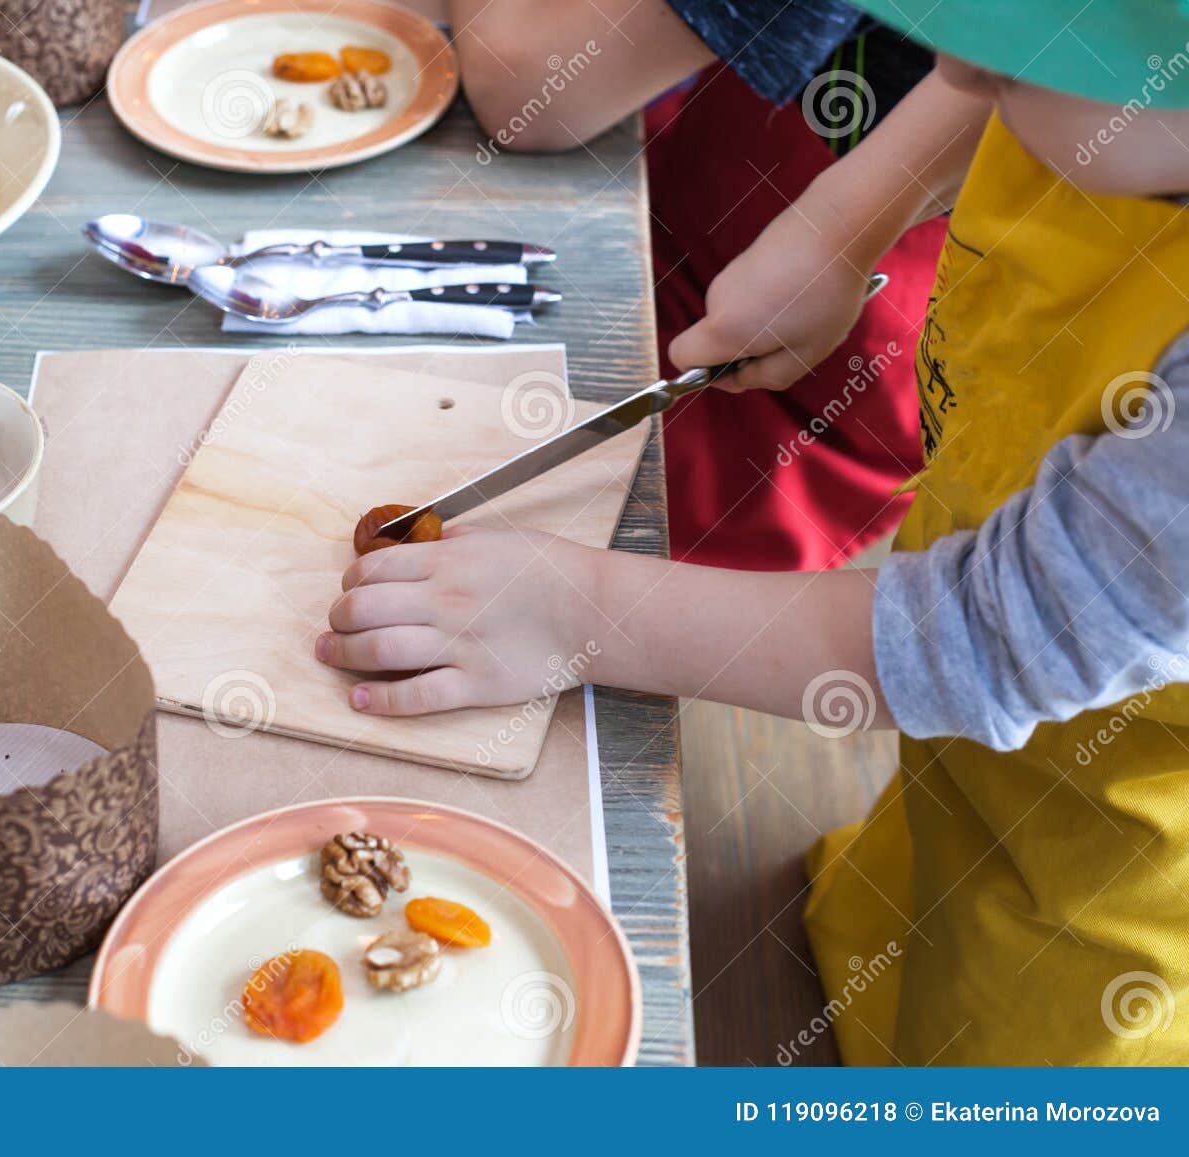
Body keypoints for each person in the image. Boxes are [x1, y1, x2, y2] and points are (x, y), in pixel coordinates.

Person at [320, 1, 1189, 1064]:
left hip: (1108, 894)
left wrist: (579, 614)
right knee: (921, 899)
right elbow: (1014, 81)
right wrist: (840, 222)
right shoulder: (1121, 106)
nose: (953, 64)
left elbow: (984, 637)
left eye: (1012, 66)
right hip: (970, 766)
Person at [452, 0, 947, 571]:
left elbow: (524, 86)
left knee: (599, 567)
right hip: (696, 199)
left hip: (829, 338)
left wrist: (842, 232)